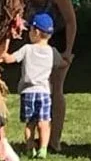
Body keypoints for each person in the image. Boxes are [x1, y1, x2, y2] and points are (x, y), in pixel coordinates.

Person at [16, 0, 77, 153]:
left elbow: (70, 21)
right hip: (35, 41)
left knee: (55, 88)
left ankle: (54, 139)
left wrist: (68, 50)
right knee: (37, 86)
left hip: (58, 39)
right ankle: (37, 136)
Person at [1, 12, 67, 159]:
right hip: (44, 93)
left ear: (36, 32)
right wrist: (68, 59)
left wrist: (4, 51)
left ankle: (30, 147)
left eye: (30, 30)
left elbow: (10, 59)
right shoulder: (52, 52)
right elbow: (62, 63)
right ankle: (43, 149)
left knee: (30, 123)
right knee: (44, 122)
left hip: (28, 92)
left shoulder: (27, 49)